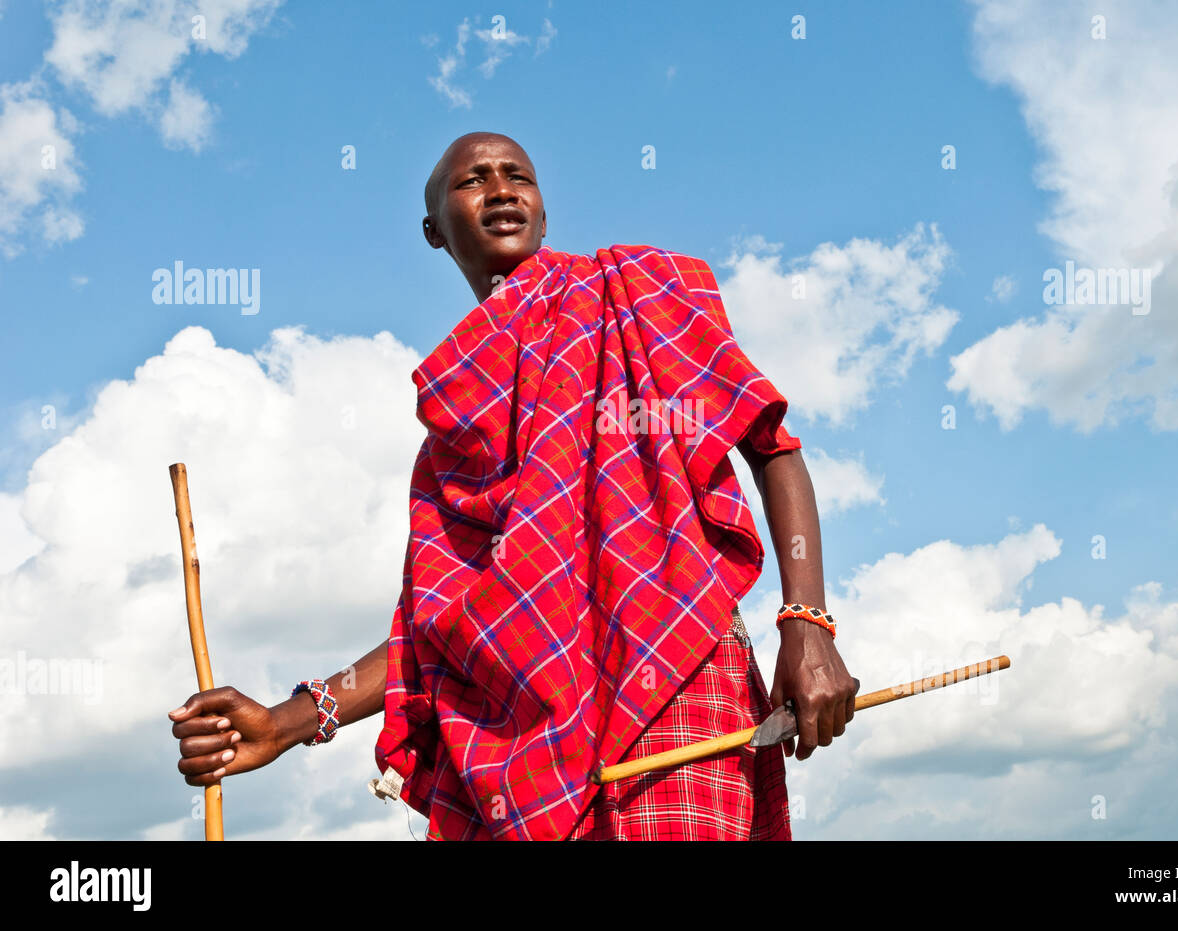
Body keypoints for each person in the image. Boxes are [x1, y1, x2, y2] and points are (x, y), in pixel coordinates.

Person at [168, 132, 858, 840]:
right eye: (471, 180)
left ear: (543, 213)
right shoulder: (452, 426)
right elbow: (434, 635)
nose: (499, 189)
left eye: (516, 176)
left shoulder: (634, 295)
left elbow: (770, 445)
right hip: (524, 747)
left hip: (671, 683)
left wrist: (808, 627)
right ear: (433, 230)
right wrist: (287, 722)